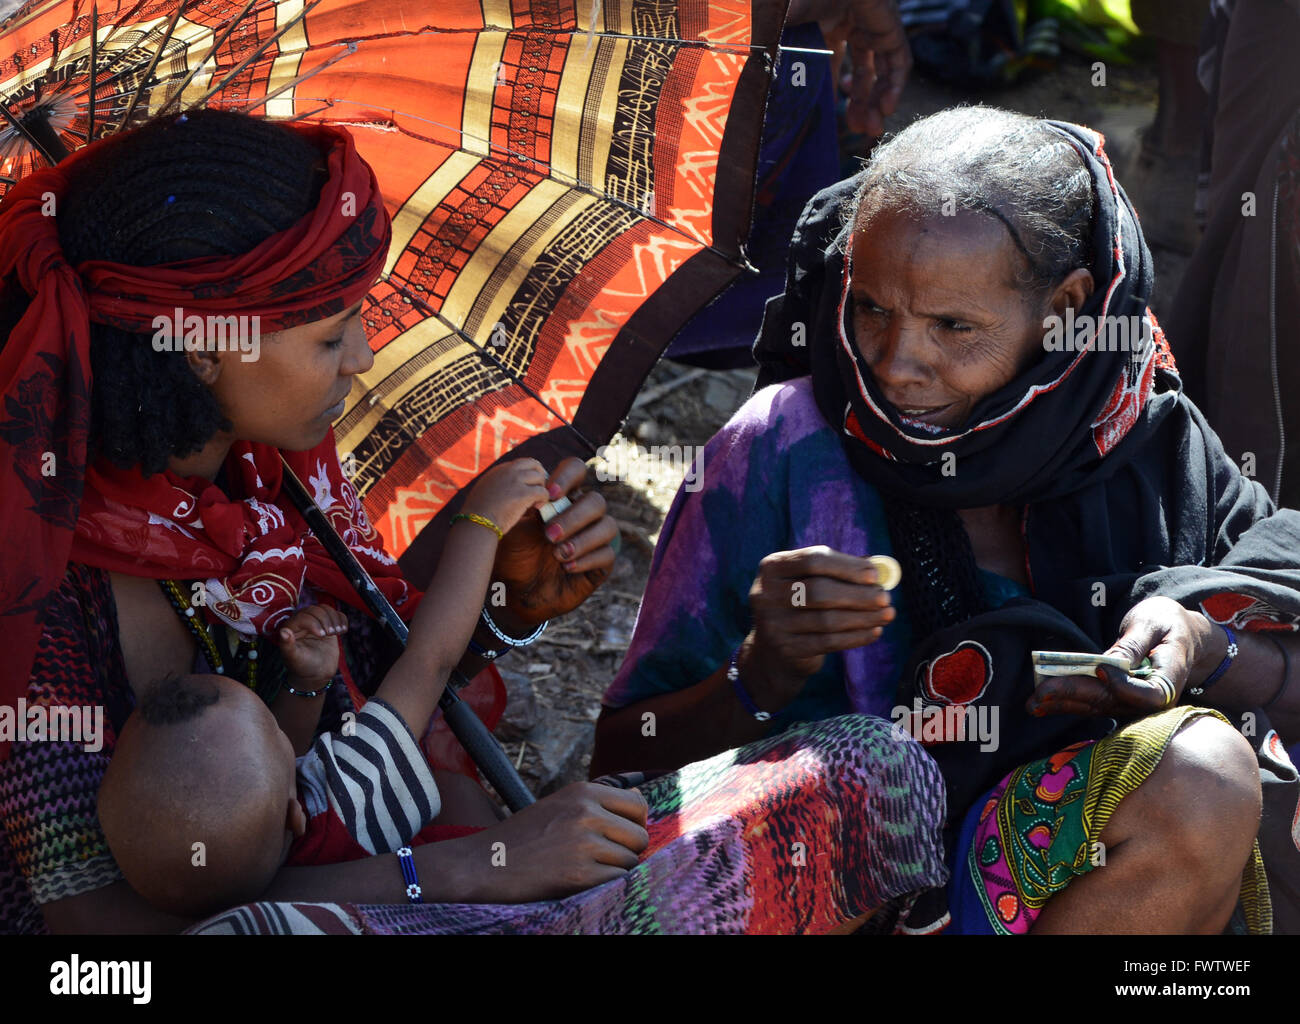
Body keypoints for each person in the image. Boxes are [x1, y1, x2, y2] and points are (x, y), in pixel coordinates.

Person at [0, 108, 947, 934]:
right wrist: (469, 868)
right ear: (203, 352)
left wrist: (501, 604)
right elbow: (94, 929)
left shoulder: (268, 489)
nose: (364, 357)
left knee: (865, 773)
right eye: (332, 335)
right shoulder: (35, 593)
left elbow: (363, 723)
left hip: (414, 882)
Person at [593, 105, 1300, 934]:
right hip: (831, 896)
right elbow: (623, 759)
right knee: (1199, 776)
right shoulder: (782, 450)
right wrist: (763, 671)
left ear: (1068, 308)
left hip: (1104, 893)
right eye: (871, 310)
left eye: (954, 328)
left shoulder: (1150, 442)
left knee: (1207, 774)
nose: (895, 365)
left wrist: (1207, 647)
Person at [99, 455, 551, 917]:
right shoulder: (346, 799)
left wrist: (306, 685)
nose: (288, 735)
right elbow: (429, 661)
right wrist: (479, 523)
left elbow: (270, 771)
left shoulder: (240, 904)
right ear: (297, 813)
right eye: (275, 735)